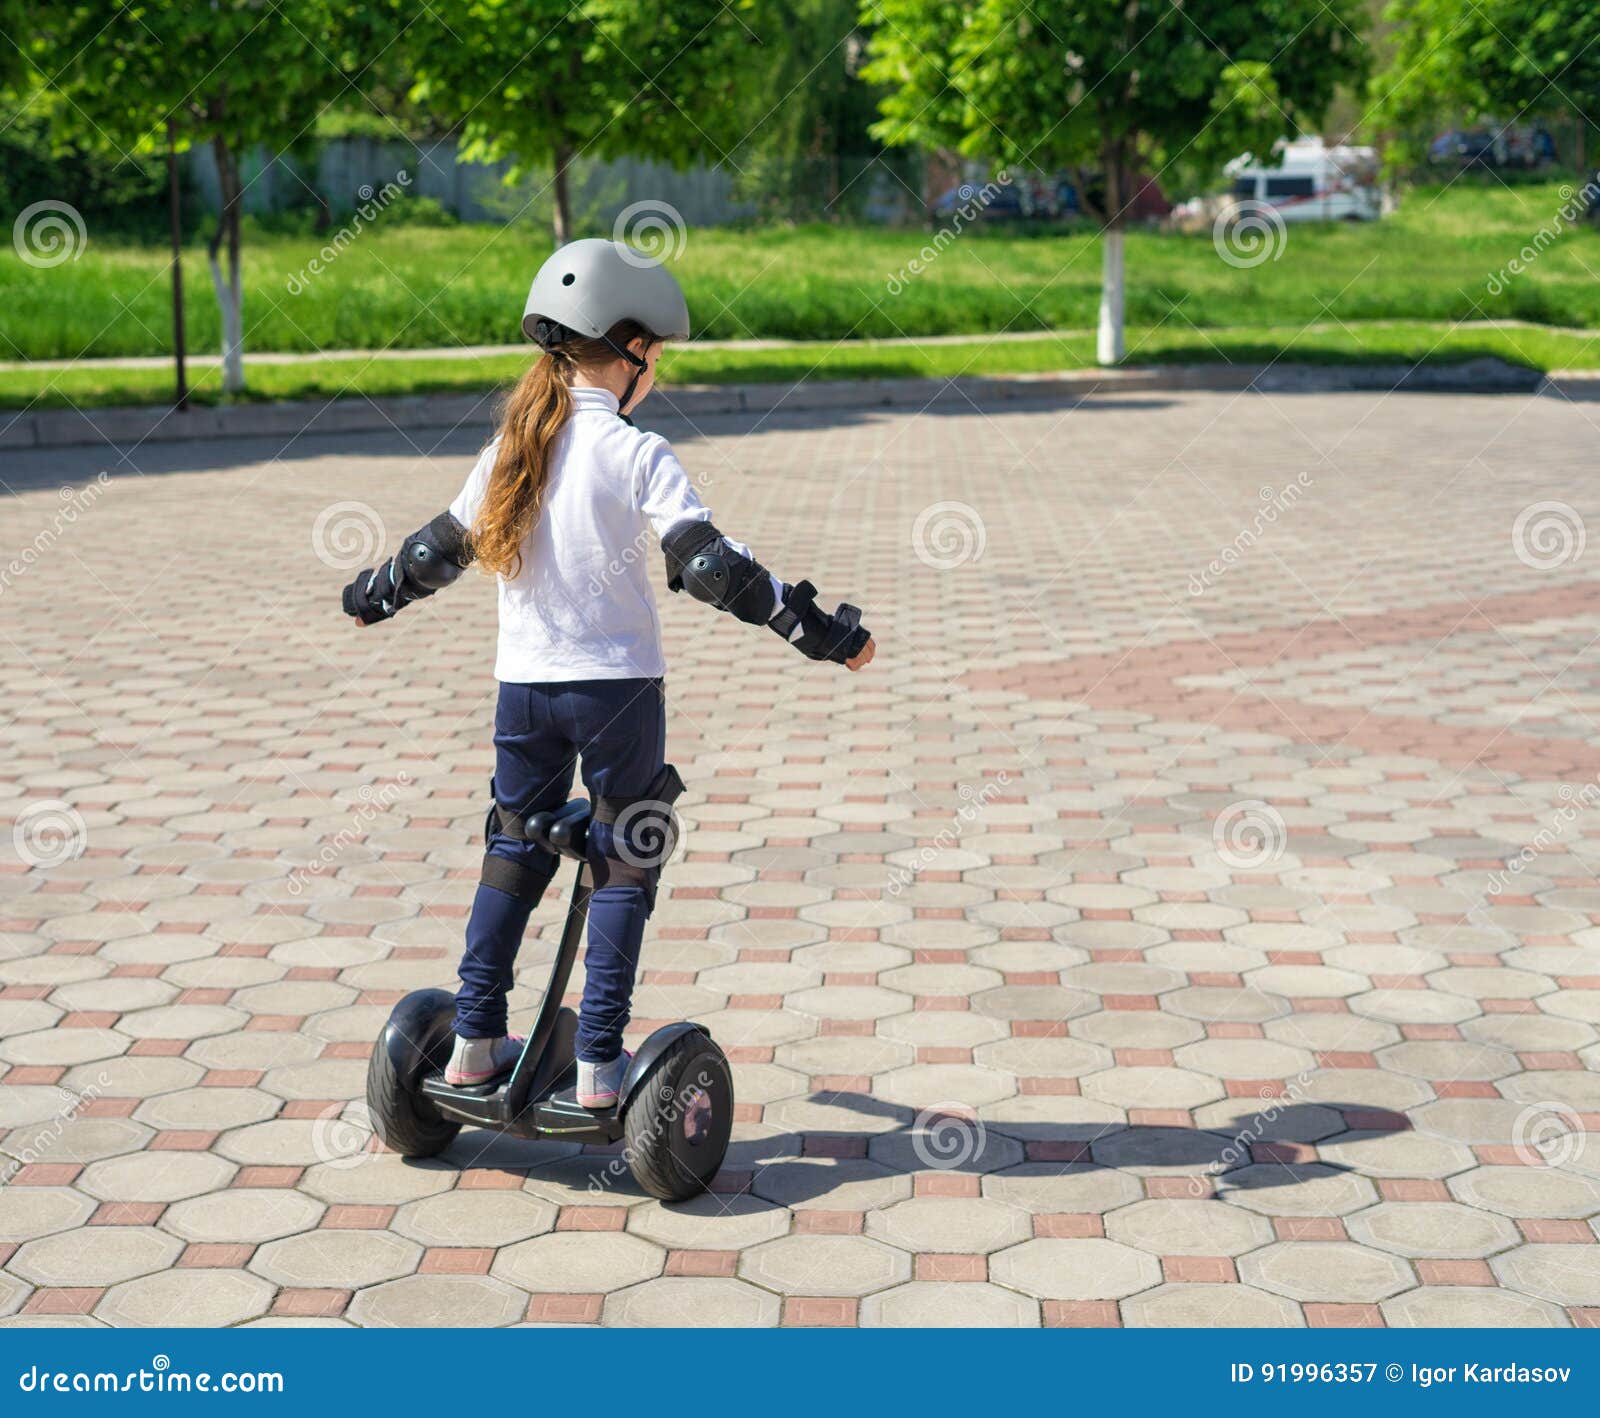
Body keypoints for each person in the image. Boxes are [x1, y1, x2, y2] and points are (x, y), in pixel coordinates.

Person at [340, 240, 876, 1108]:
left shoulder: (514, 445)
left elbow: (438, 549)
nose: (656, 370)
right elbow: (712, 567)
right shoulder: (635, 450)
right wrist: (818, 633)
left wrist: (374, 596)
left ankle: (472, 1044)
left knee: (513, 848)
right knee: (626, 854)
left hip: (524, 690)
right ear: (631, 350)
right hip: (618, 691)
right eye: (655, 355)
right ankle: (596, 1065)